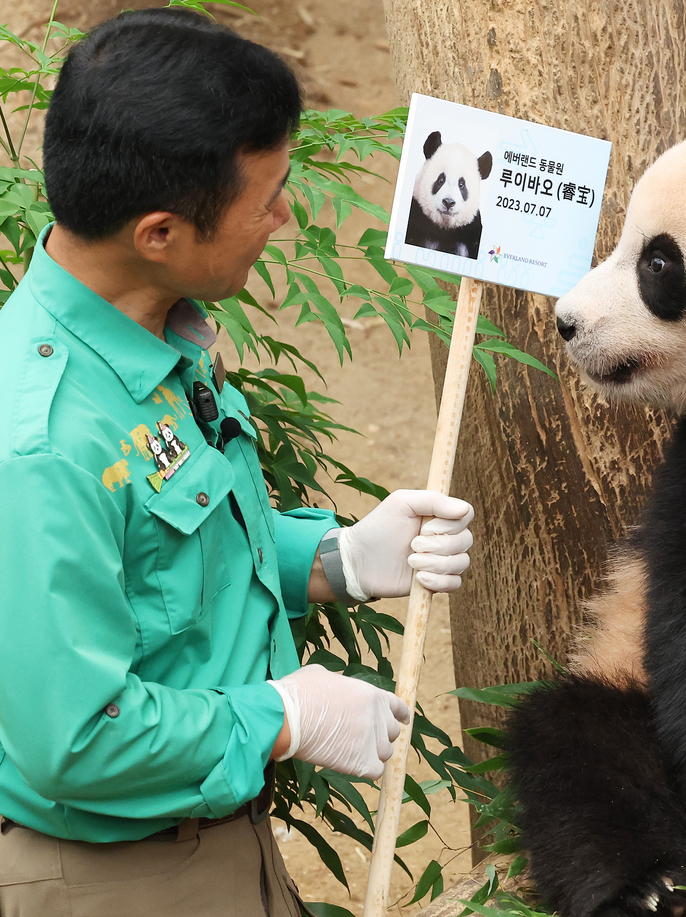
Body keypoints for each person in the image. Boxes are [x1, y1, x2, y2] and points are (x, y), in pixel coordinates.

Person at [0, 9, 474, 915]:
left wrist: (333, 559)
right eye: (266, 197)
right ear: (160, 231)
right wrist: (285, 716)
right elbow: (73, 738)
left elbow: (166, 564)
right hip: (116, 879)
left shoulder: (150, 334)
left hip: (219, 853)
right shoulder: (41, 446)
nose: (285, 217)